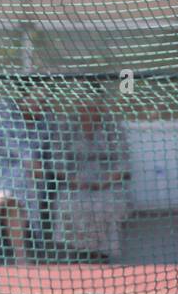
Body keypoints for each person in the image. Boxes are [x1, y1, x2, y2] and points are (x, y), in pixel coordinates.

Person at [0, 93, 56, 265]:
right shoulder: (4, 112)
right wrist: (31, 164)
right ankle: (19, 256)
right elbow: (13, 148)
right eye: (35, 98)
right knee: (20, 177)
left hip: (23, 183)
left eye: (43, 100)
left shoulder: (46, 121)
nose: (39, 104)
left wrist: (37, 167)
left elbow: (41, 158)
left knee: (16, 193)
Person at [53, 100, 131, 262]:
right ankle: (76, 254)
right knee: (69, 204)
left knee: (105, 204)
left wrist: (105, 181)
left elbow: (123, 164)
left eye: (93, 106)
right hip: (75, 184)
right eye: (84, 105)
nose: (88, 110)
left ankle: (100, 256)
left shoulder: (112, 128)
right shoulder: (66, 127)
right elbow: (57, 162)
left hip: (107, 183)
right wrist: (73, 179)